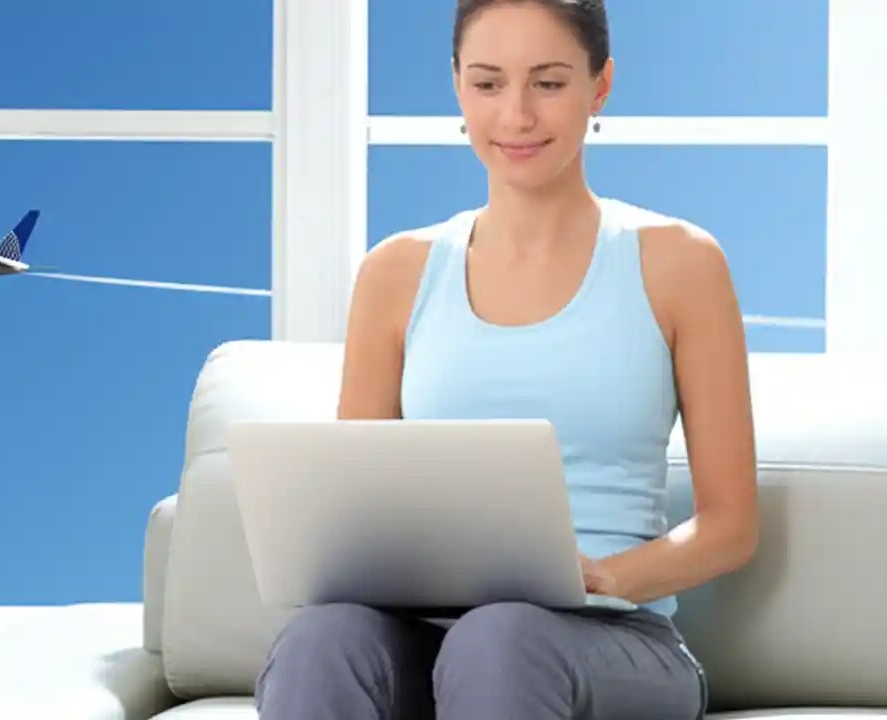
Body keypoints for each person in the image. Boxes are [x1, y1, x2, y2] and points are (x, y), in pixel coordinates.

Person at [254, 1, 760, 718]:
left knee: (499, 639)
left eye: (548, 83)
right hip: (430, 634)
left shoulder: (679, 263)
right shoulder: (395, 273)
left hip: (609, 636)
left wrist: (601, 576)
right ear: (457, 85)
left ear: (601, 85)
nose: (517, 115)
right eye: (488, 84)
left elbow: (730, 525)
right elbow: (352, 516)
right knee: (321, 641)